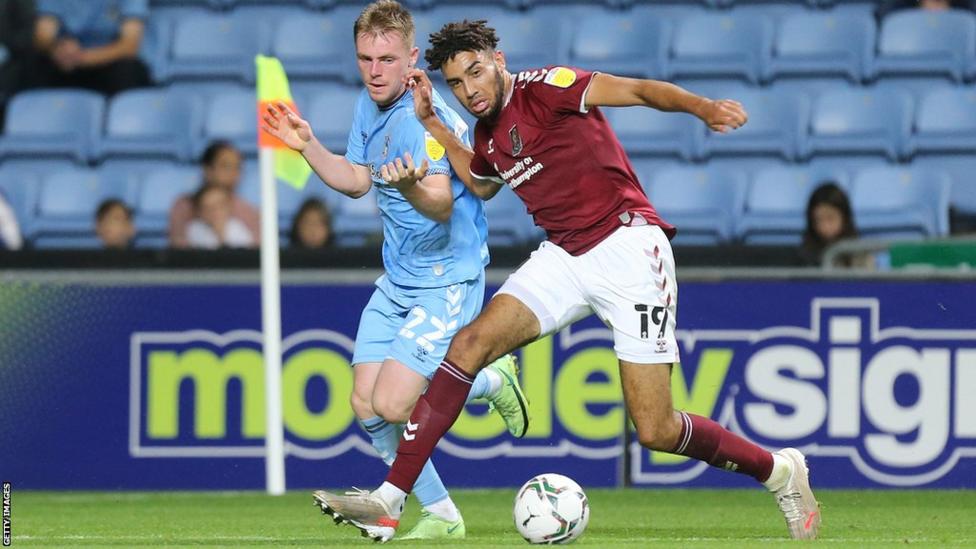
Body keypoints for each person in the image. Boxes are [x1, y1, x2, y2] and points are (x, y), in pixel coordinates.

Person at [313, 19, 822, 542]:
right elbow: (482, 185)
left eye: (476, 73)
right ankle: (390, 500)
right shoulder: (486, 135)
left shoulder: (550, 87)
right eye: (458, 84)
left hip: (627, 249)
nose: (470, 91)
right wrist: (437, 127)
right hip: (565, 256)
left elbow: (639, 90)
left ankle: (779, 471)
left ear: (499, 60)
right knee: (467, 345)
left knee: (656, 429)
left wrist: (702, 108)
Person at [260, 1, 529, 540]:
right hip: (399, 279)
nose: (375, 70)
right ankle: (442, 515)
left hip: (446, 278)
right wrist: (308, 145)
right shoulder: (370, 103)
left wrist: (408, 185)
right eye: (365, 58)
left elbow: (442, 202)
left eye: (386, 59)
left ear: (411, 58)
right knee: (365, 404)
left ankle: (491, 377)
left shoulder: (422, 118)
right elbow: (358, 180)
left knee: (392, 400)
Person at [30, 0, 151, 95]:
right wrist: (58, 47)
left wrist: (81, 57)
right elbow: (43, 36)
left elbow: (130, 45)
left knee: (130, 71)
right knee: (33, 67)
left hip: (108, 60)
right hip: (65, 61)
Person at [169, 141, 259, 249]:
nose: (234, 173)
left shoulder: (247, 211)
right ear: (207, 170)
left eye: (237, 167)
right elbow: (178, 249)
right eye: (226, 166)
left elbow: (256, 253)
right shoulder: (183, 207)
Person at [801, 182, 870, 268]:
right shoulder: (802, 256)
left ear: (845, 218)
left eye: (830, 218)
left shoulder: (860, 253)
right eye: (818, 220)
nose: (824, 227)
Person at [185, 185, 255, 250]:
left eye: (220, 205)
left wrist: (221, 234)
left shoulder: (237, 226)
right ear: (199, 212)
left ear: (229, 206)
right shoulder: (195, 228)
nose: (215, 211)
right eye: (208, 207)